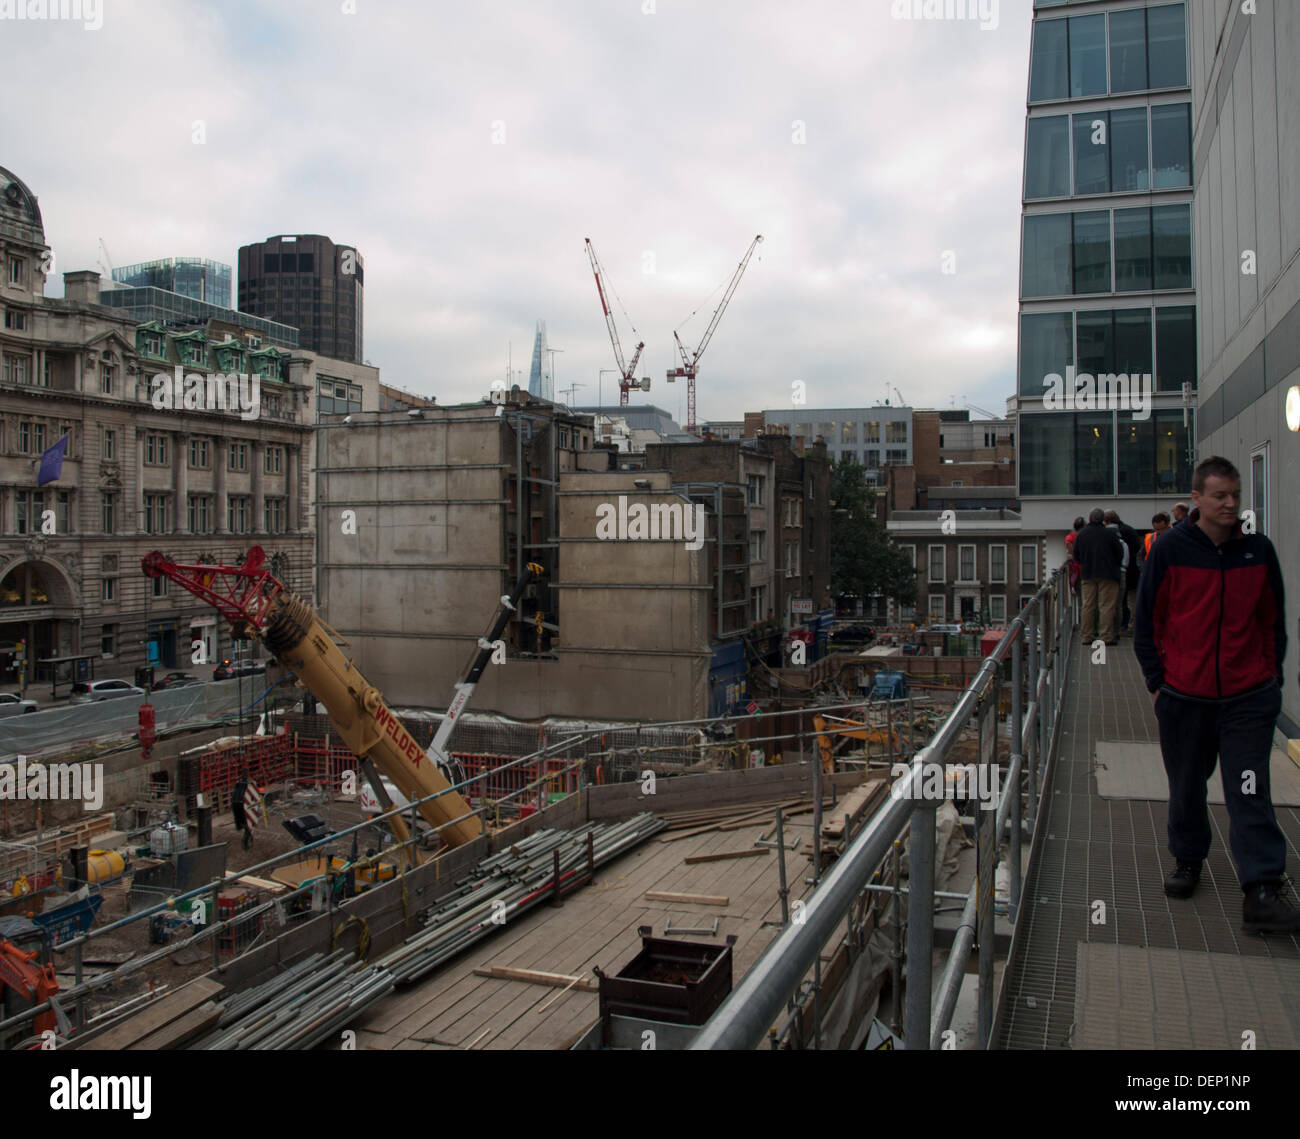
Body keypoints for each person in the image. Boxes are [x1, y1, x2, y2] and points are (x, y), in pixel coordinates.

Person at [1134, 456, 1297, 932]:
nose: (1230, 504)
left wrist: (1270, 680)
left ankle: (1261, 889)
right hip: (1185, 697)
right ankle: (1188, 860)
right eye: (1220, 495)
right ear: (1197, 499)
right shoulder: (1169, 549)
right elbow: (1147, 621)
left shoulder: (1258, 550)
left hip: (1248, 696)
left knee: (1249, 787)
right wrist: (1158, 684)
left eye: (1235, 495)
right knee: (1187, 785)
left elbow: (1272, 620)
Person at [1073, 508, 1124, 645]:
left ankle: (1086, 636)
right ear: (1103, 519)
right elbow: (1119, 553)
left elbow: (1076, 555)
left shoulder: (1081, 534)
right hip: (1108, 574)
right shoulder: (1110, 534)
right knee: (1106, 606)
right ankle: (1106, 636)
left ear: (1089, 519)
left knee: (1088, 605)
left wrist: (1085, 563)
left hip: (1088, 573)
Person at [1105, 510, 1143, 633]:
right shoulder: (1128, 530)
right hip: (1132, 569)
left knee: (1123, 601)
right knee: (1130, 599)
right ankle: (1130, 626)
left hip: (1124, 570)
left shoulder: (1117, 533)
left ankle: (1126, 626)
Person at [1064, 516, 1084, 594]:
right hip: (1086, 569)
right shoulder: (1086, 536)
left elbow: (1068, 544)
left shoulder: (1070, 537)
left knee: (1079, 593)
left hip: (1075, 570)